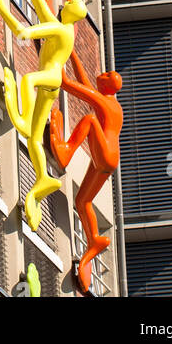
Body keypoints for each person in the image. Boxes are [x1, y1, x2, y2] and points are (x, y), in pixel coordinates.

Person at [0, 0, 86, 231]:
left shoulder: (61, 30)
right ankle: (42, 178)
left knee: (27, 79)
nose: (66, 2)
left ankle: (18, 114)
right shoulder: (58, 23)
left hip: (51, 80)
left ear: (72, 13)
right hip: (52, 87)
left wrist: (25, 32)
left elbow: (33, 32)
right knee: (33, 140)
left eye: (70, 3)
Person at [49, 52, 123, 296]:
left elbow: (71, 85)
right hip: (108, 159)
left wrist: (56, 62)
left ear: (110, 84)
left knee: (90, 120)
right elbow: (83, 81)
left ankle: (66, 152)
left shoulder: (107, 103)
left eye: (107, 74)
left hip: (106, 154)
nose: (102, 73)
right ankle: (94, 239)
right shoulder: (108, 100)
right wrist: (70, 52)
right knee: (83, 201)